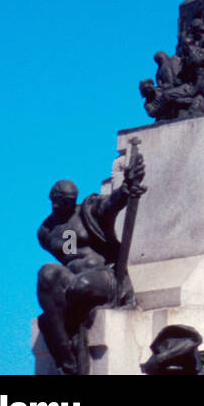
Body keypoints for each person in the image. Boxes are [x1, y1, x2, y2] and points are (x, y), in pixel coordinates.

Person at [36, 152, 146, 374]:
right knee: (46, 273)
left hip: (104, 276)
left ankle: (67, 331)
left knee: (81, 285)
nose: (64, 206)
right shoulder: (46, 231)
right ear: (52, 200)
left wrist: (126, 187)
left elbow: (111, 204)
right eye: (60, 202)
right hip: (73, 279)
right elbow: (68, 256)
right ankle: (65, 353)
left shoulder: (88, 210)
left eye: (69, 202)